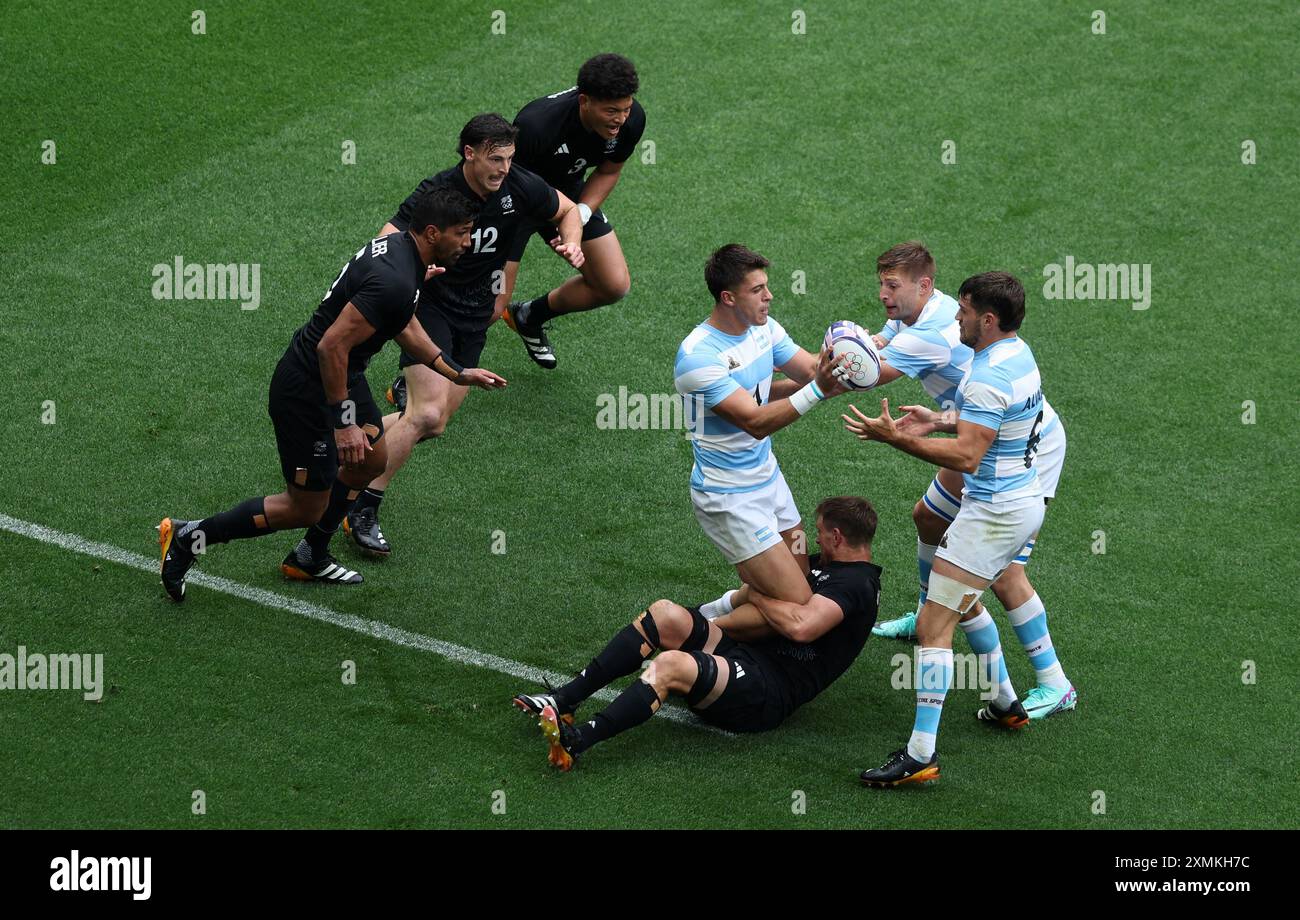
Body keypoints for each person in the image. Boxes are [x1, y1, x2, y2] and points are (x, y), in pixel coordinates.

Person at [158, 186, 506, 600]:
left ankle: (310, 554)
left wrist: (456, 372)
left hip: (343, 376)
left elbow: (405, 326)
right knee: (302, 507)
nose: (468, 243)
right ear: (433, 233)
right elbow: (331, 347)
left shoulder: (402, 253)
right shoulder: (396, 279)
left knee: (371, 460)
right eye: (462, 233)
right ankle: (188, 536)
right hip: (308, 388)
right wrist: (344, 426)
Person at [344, 114, 584, 556]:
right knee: (427, 414)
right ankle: (360, 505)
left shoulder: (519, 186)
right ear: (469, 154)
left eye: (509, 159)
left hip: (475, 317)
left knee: (432, 423)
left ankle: (348, 444)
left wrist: (573, 242)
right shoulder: (438, 193)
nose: (503, 169)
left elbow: (568, 209)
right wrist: (408, 275)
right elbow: (389, 235)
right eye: (495, 159)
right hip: (432, 307)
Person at [846, 272, 1051, 787]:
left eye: (962, 312)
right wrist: (938, 419)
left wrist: (893, 438)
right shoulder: (1017, 355)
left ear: (987, 319)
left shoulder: (986, 375)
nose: (954, 317)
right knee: (959, 597)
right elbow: (987, 422)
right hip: (1017, 502)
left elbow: (968, 453)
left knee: (935, 626)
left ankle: (920, 756)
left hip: (993, 513)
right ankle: (1004, 701)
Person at [512, 497, 881, 770]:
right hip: (746, 651)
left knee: (671, 665)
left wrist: (756, 597)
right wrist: (705, 626)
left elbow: (800, 627)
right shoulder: (819, 566)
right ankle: (564, 701)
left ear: (836, 536)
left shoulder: (856, 586)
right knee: (666, 615)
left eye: (818, 533)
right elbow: (758, 602)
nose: (813, 541)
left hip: (766, 691)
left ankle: (577, 743)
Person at [866, 243, 1075, 720]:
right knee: (927, 517)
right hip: (977, 428)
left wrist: (801, 370)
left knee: (1004, 572)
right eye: (881, 283)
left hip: (1022, 451)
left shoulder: (942, 336)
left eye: (891, 285)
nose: (883, 295)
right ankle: (929, 610)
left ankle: (1053, 681)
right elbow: (883, 339)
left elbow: (865, 376)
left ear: (923, 286)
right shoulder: (922, 313)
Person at [674, 244, 850, 616]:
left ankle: (710, 614)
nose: (769, 296)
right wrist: (819, 389)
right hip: (729, 497)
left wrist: (857, 350)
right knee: (796, 603)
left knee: (802, 577)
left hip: (768, 479)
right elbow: (754, 421)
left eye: (766, 287)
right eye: (757, 291)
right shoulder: (698, 358)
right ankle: (694, 629)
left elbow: (807, 370)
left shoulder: (764, 329)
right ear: (728, 298)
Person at [500, 53, 646, 369]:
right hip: (517, 202)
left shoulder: (631, 120)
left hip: (568, 190)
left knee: (613, 284)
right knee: (491, 303)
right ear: (584, 102)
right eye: (611, 111)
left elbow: (608, 172)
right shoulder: (536, 125)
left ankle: (528, 316)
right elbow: (506, 187)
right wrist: (563, 219)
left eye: (625, 109)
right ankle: (422, 372)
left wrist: (578, 215)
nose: (620, 119)